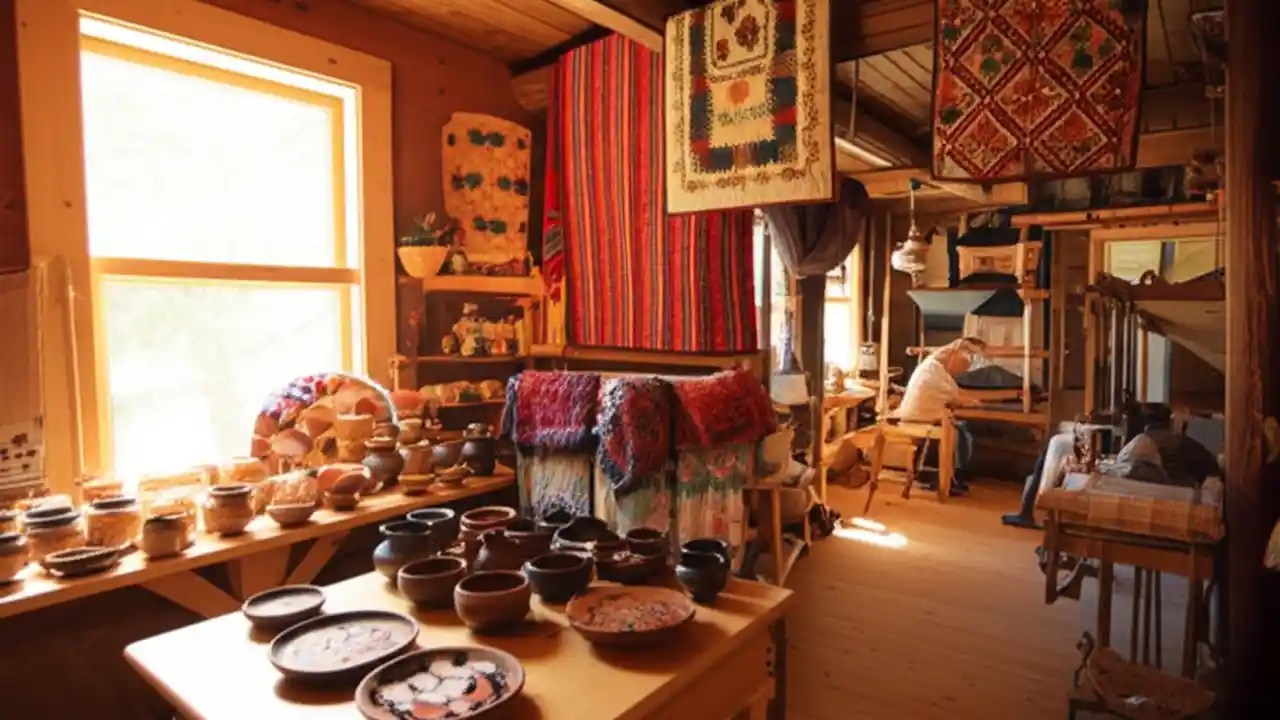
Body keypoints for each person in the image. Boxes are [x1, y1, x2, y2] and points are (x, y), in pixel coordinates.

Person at [893, 336, 986, 494]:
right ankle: (951, 478)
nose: (969, 364)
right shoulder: (934, 371)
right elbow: (956, 397)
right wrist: (972, 402)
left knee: (959, 426)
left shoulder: (933, 367)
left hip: (917, 414)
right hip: (918, 417)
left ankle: (953, 476)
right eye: (969, 356)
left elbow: (955, 394)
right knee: (958, 429)